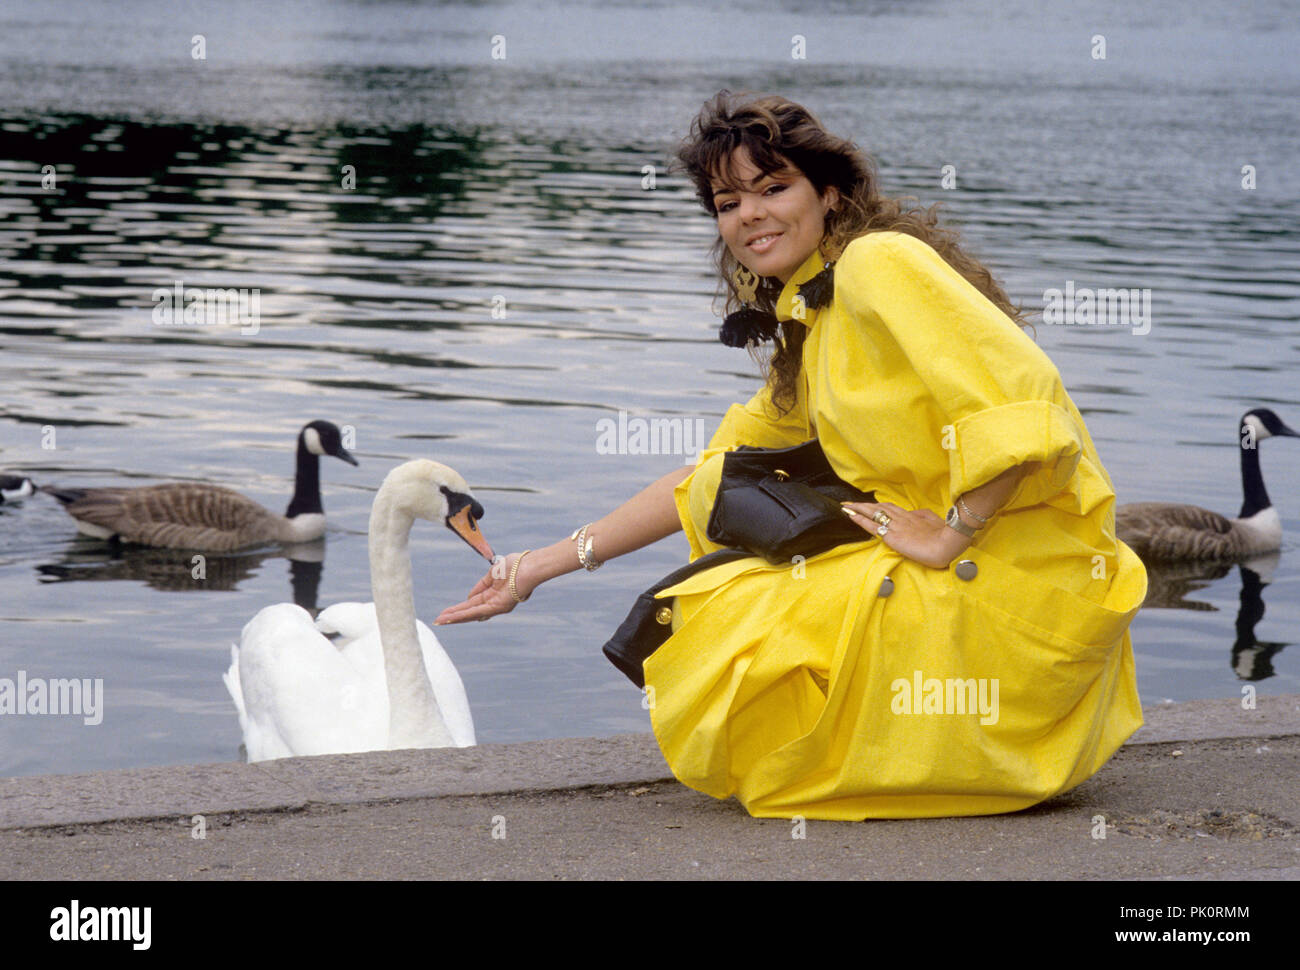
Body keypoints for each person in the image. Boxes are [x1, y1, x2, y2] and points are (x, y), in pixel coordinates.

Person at [436, 91, 1147, 821]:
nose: (749, 215)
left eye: (773, 188)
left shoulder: (879, 263)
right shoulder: (811, 320)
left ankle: (972, 753)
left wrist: (950, 531)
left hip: (1024, 573)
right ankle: (932, 759)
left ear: (829, 194)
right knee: (710, 605)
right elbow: (701, 478)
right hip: (963, 561)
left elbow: (1027, 406)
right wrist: (535, 567)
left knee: (740, 628)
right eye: (726, 201)